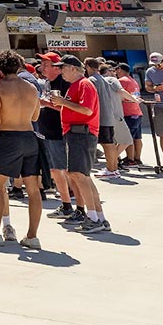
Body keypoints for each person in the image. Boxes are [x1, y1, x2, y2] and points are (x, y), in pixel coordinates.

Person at [0, 52, 46, 250]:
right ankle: (32, 236)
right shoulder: (32, 87)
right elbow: (35, 116)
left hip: (9, 138)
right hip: (30, 138)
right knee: (33, 190)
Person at [50, 57, 108, 234]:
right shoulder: (78, 85)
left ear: (73, 68)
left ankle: (93, 218)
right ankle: (99, 217)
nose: (61, 71)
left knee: (78, 174)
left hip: (81, 133)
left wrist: (63, 102)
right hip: (77, 133)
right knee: (82, 175)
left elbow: (87, 110)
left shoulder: (84, 84)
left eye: (63, 68)